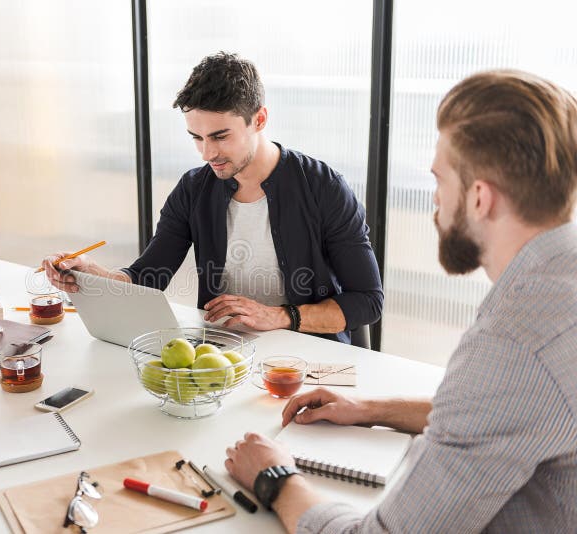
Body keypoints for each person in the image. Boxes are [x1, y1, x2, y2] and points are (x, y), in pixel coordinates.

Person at [223, 70, 577, 532]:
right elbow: (509, 410)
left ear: (479, 198)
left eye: (439, 179)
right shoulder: (558, 283)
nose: (435, 200)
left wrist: (274, 478)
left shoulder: (515, 342)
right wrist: (370, 409)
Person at [43, 52, 382, 344]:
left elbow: (367, 301)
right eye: (196, 137)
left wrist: (278, 316)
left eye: (220, 136)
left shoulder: (324, 188)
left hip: (306, 360)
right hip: (221, 354)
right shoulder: (193, 189)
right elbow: (149, 277)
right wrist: (92, 274)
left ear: (259, 120)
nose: (207, 153)